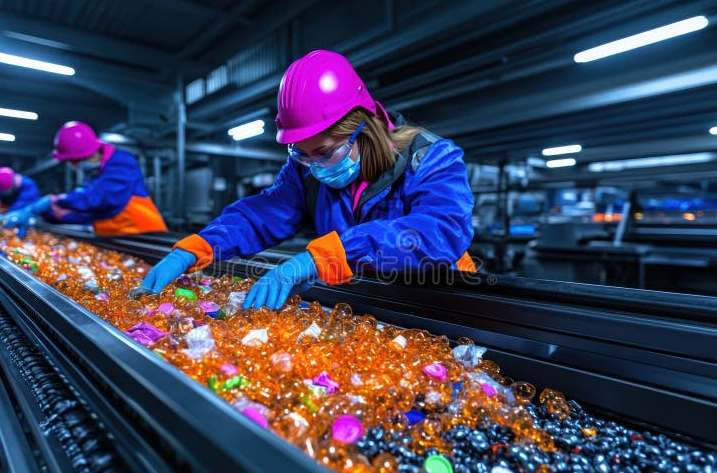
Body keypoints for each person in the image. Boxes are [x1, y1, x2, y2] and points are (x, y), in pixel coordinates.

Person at [138, 49, 475, 309]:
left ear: (364, 130)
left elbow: (441, 230)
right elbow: (263, 214)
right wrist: (199, 246)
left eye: (325, 152)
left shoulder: (430, 157)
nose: (315, 165)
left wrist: (325, 256)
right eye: (302, 154)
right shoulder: (307, 169)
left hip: (443, 301)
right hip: (369, 300)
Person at [0, 121, 167, 237]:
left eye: (72, 161)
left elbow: (100, 198)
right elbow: (98, 210)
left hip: (144, 233)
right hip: (115, 234)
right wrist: (59, 213)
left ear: (85, 156)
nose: (73, 166)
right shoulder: (95, 172)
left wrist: (56, 200)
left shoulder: (121, 162)